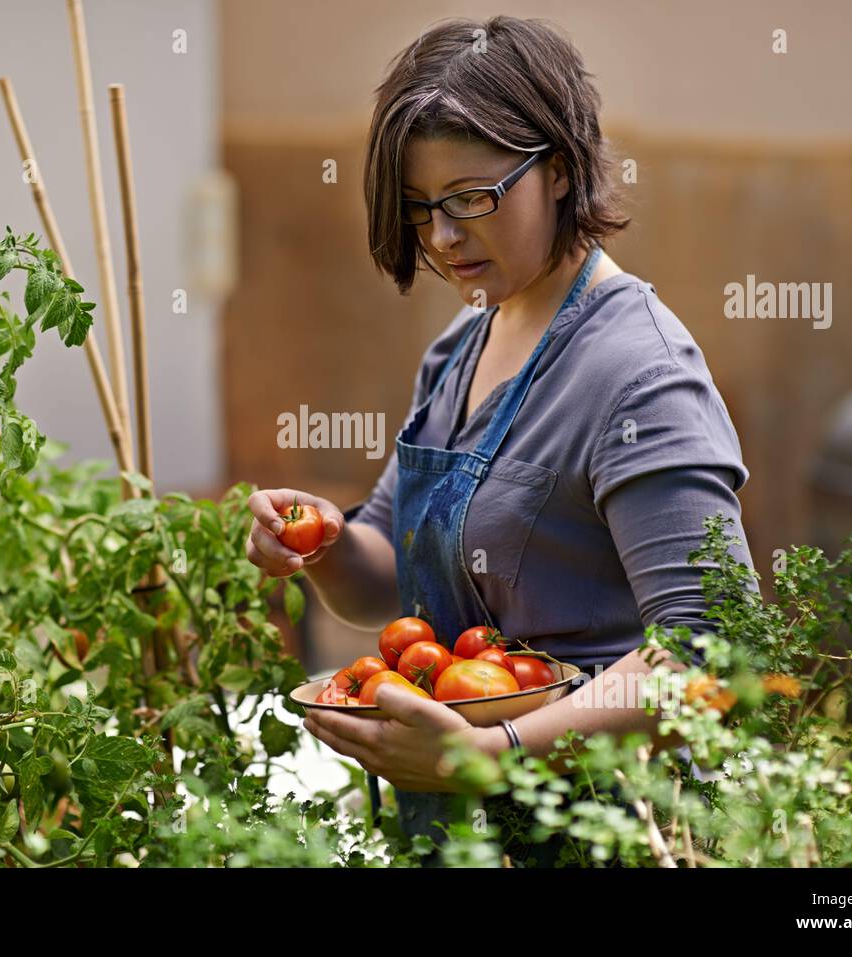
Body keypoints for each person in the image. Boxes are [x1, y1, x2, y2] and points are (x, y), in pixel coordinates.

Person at [244, 15, 755, 866]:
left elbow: (711, 655)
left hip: (608, 826)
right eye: (419, 209)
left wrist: (494, 751)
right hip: (467, 834)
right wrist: (325, 543)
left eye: (471, 199)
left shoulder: (639, 372)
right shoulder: (462, 345)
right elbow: (383, 585)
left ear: (558, 170)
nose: (443, 237)